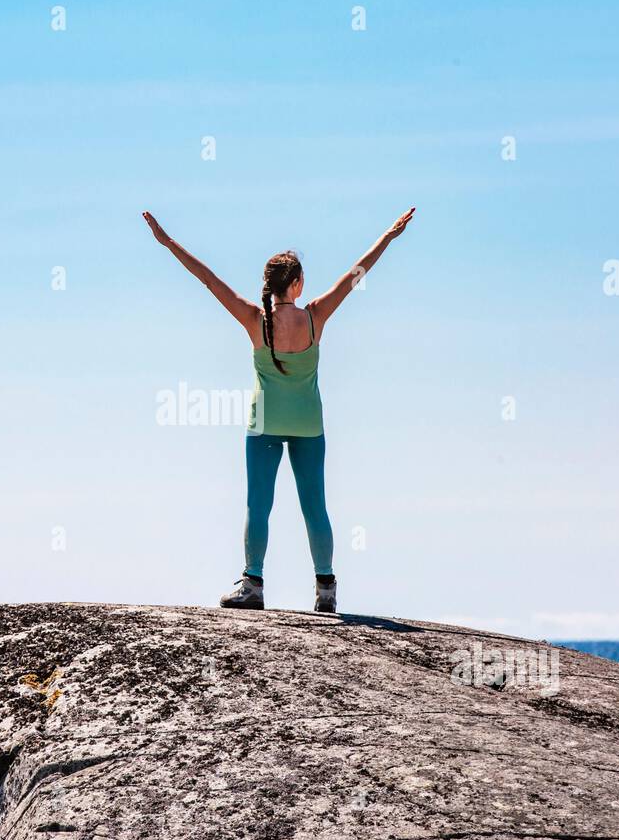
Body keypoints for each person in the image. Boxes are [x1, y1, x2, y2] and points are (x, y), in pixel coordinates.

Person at [142, 208, 415, 612]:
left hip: (266, 423)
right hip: (307, 424)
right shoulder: (315, 315)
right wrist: (389, 237)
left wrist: (167, 243)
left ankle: (253, 583)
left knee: (258, 503)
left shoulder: (255, 319)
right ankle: (326, 588)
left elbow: (208, 279)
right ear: (297, 284)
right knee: (314, 505)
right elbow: (357, 273)